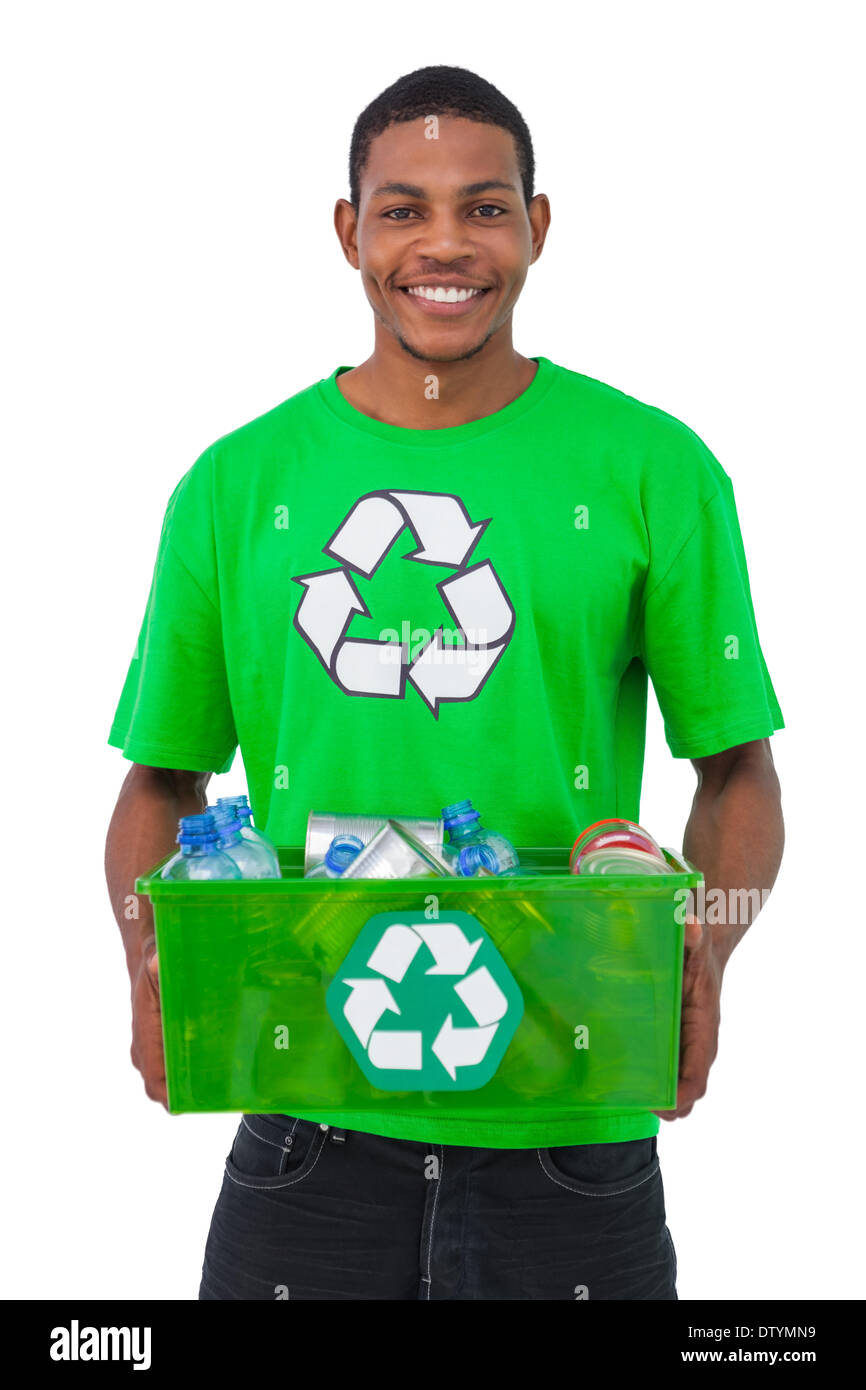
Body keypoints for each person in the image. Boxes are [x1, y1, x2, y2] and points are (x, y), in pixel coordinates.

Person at [104, 65, 785, 1301]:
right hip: (304, 1131)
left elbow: (735, 767)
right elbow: (162, 778)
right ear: (346, 231)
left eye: (483, 206)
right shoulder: (231, 486)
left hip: (569, 1124)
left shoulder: (652, 468)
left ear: (536, 225)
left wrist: (702, 957)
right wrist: (149, 966)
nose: (443, 245)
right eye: (402, 207)